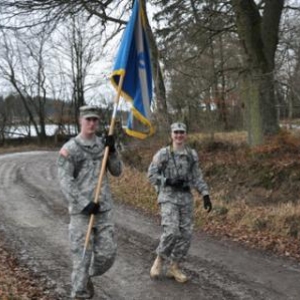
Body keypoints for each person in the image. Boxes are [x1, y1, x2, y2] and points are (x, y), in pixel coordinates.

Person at [57, 105, 123, 299]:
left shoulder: (103, 146)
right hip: (82, 214)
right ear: (80, 121)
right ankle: (79, 291)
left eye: (95, 119)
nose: (92, 123)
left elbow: (117, 171)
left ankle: (85, 277)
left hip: (103, 212)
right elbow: (65, 181)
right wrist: (83, 204)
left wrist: (112, 151)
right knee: (81, 259)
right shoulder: (70, 149)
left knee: (107, 255)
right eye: (88, 119)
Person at [147, 122, 212, 283]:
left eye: (182, 132)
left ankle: (174, 267)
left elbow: (197, 176)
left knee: (186, 235)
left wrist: (205, 194)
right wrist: (167, 181)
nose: (179, 135)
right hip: (168, 197)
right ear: (171, 135)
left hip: (185, 199)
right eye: (176, 132)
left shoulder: (191, 155)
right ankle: (159, 260)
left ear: (186, 135)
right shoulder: (163, 154)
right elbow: (151, 175)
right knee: (171, 231)